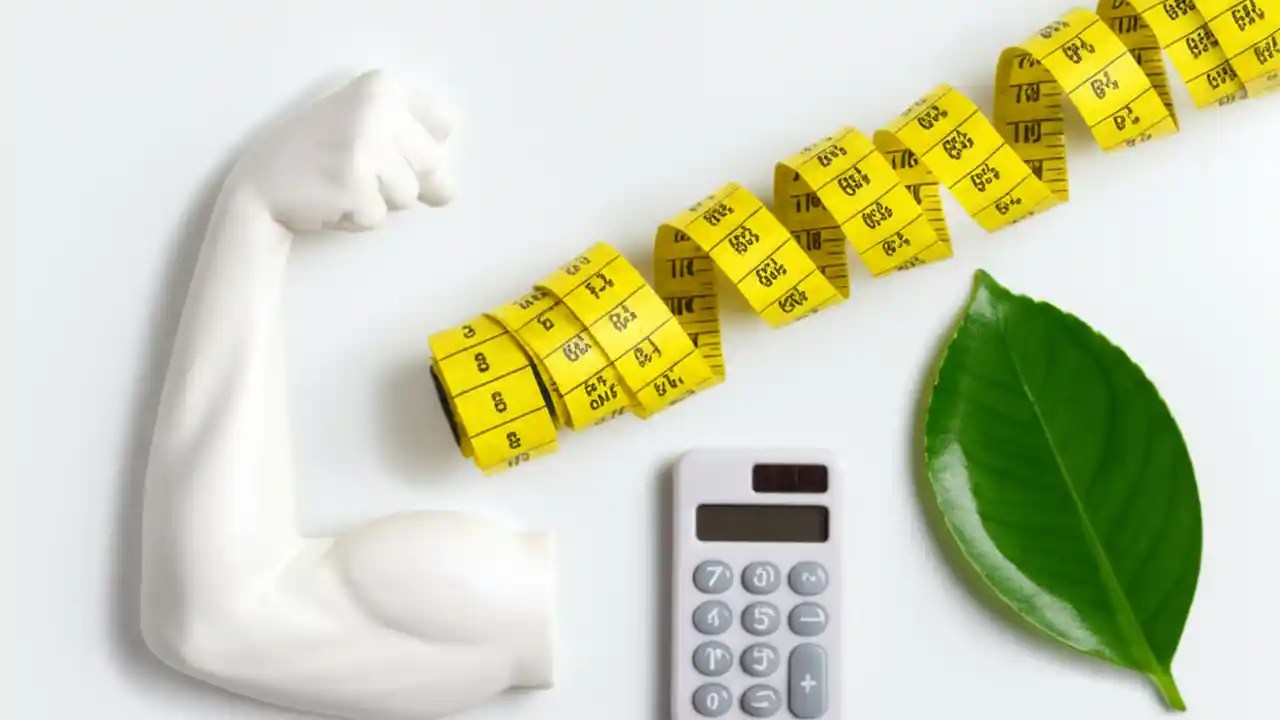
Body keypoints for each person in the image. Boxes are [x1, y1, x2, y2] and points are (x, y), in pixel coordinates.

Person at [140, 70, 553, 720]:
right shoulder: (492, 605)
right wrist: (256, 215)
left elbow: (221, 627)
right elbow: (220, 626)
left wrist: (254, 218)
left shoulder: (489, 606)